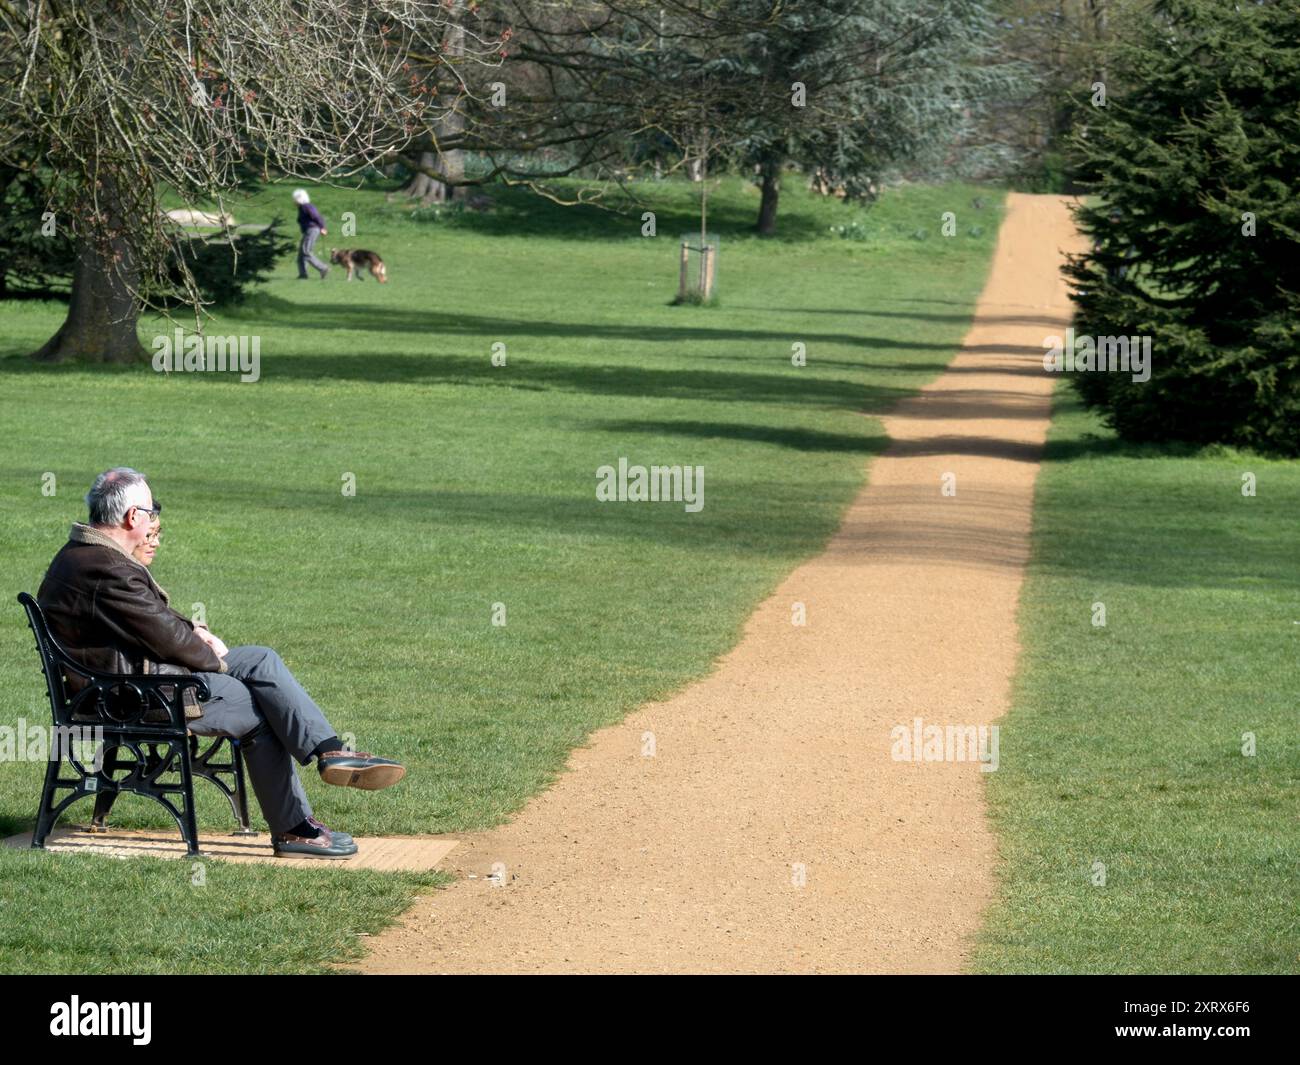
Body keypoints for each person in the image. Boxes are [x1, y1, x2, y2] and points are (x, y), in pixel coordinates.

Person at [36, 468, 405, 858]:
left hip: (126, 681)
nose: (154, 520)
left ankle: (331, 751)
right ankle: (294, 829)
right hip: (136, 697)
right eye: (152, 509)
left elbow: (152, 623)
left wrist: (195, 633)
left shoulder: (83, 555)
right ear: (133, 517)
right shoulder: (105, 568)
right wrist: (211, 655)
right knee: (258, 706)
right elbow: (167, 638)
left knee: (261, 659)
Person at [293, 188, 330, 280]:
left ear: (298, 199)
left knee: (306, 251)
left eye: (294, 199)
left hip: (312, 230)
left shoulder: (307, 206)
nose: (293, 202)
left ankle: (323, 268)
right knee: (301, 254)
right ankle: (303, 274)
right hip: (308, 231)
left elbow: (317, 217)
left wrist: (323, 228)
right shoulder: (302, 208)